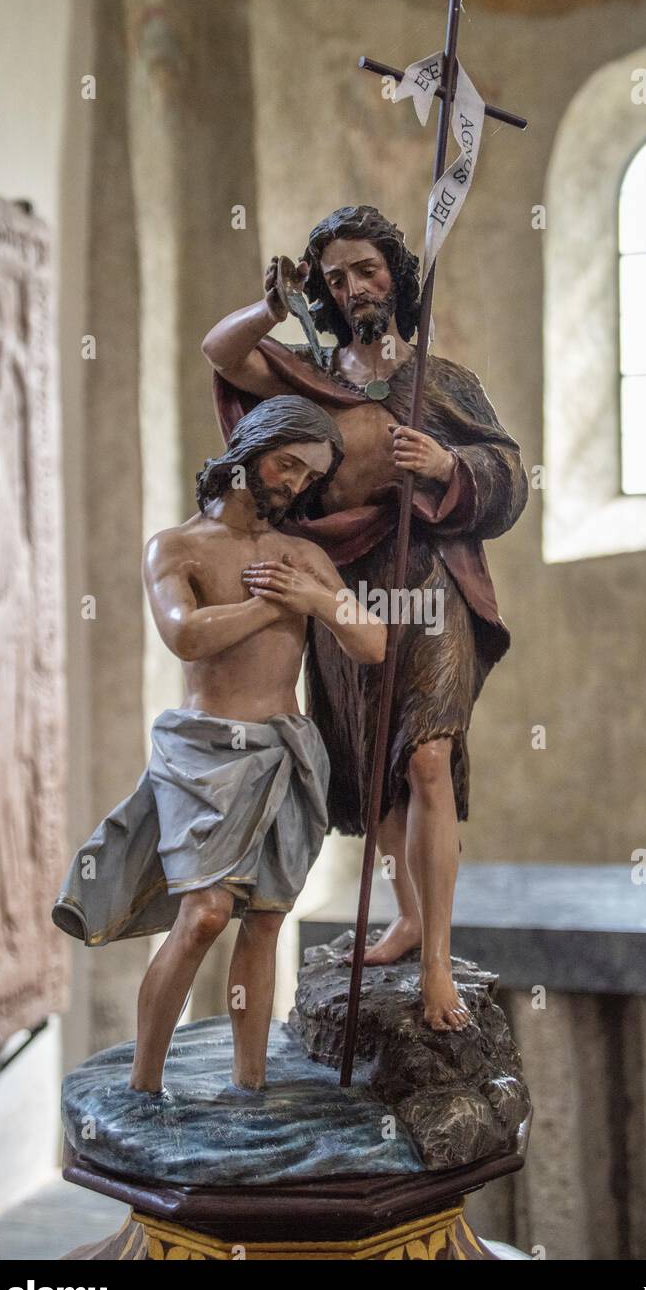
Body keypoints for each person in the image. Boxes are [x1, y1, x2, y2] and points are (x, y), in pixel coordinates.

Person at [201, 204, 528, 1033]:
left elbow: (507, 480)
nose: (354, 288)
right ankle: (406, 915)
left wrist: (450, 462)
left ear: (396, 277)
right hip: (345, 581)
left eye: (367, 271)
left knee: (425, 756)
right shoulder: (308, 378)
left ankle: (437, 962)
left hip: (429, 583)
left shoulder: (441, 383)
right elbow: (222, 353)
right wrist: (276, 303)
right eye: (336, 277)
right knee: (371, 759)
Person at [52, 395, 386, 1093]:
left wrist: (318, 601)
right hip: (203, 753)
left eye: (307, 476)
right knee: (203, 914)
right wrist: (272, 604)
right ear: (247, 450)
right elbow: (186, 634)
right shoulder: (176, 547)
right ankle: (144, 1082)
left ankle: (249, 1082)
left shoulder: (301, 556)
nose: (293, 484)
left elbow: (370, 640)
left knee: (264, 921)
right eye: (286, 464)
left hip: (285, 752)